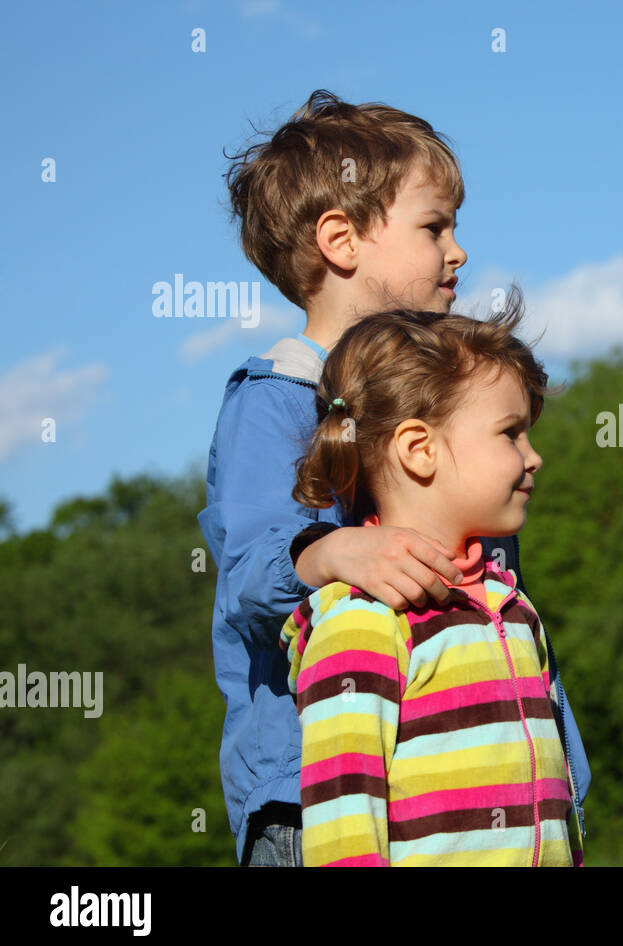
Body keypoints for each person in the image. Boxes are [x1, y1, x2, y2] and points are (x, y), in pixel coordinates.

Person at [196, 90, 589, 866]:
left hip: (466, 800)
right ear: (341, 241)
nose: (458, 251)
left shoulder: (439, 400)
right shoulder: (279, 397)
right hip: (321, 801)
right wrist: (336, 551)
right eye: (434, 227)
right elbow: (248, 573)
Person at [279, 295, 581, 865]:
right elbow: (344, 824)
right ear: (420, 450)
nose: (534, 457)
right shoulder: (361, 623)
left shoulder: (514, 609)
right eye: (511, 433)